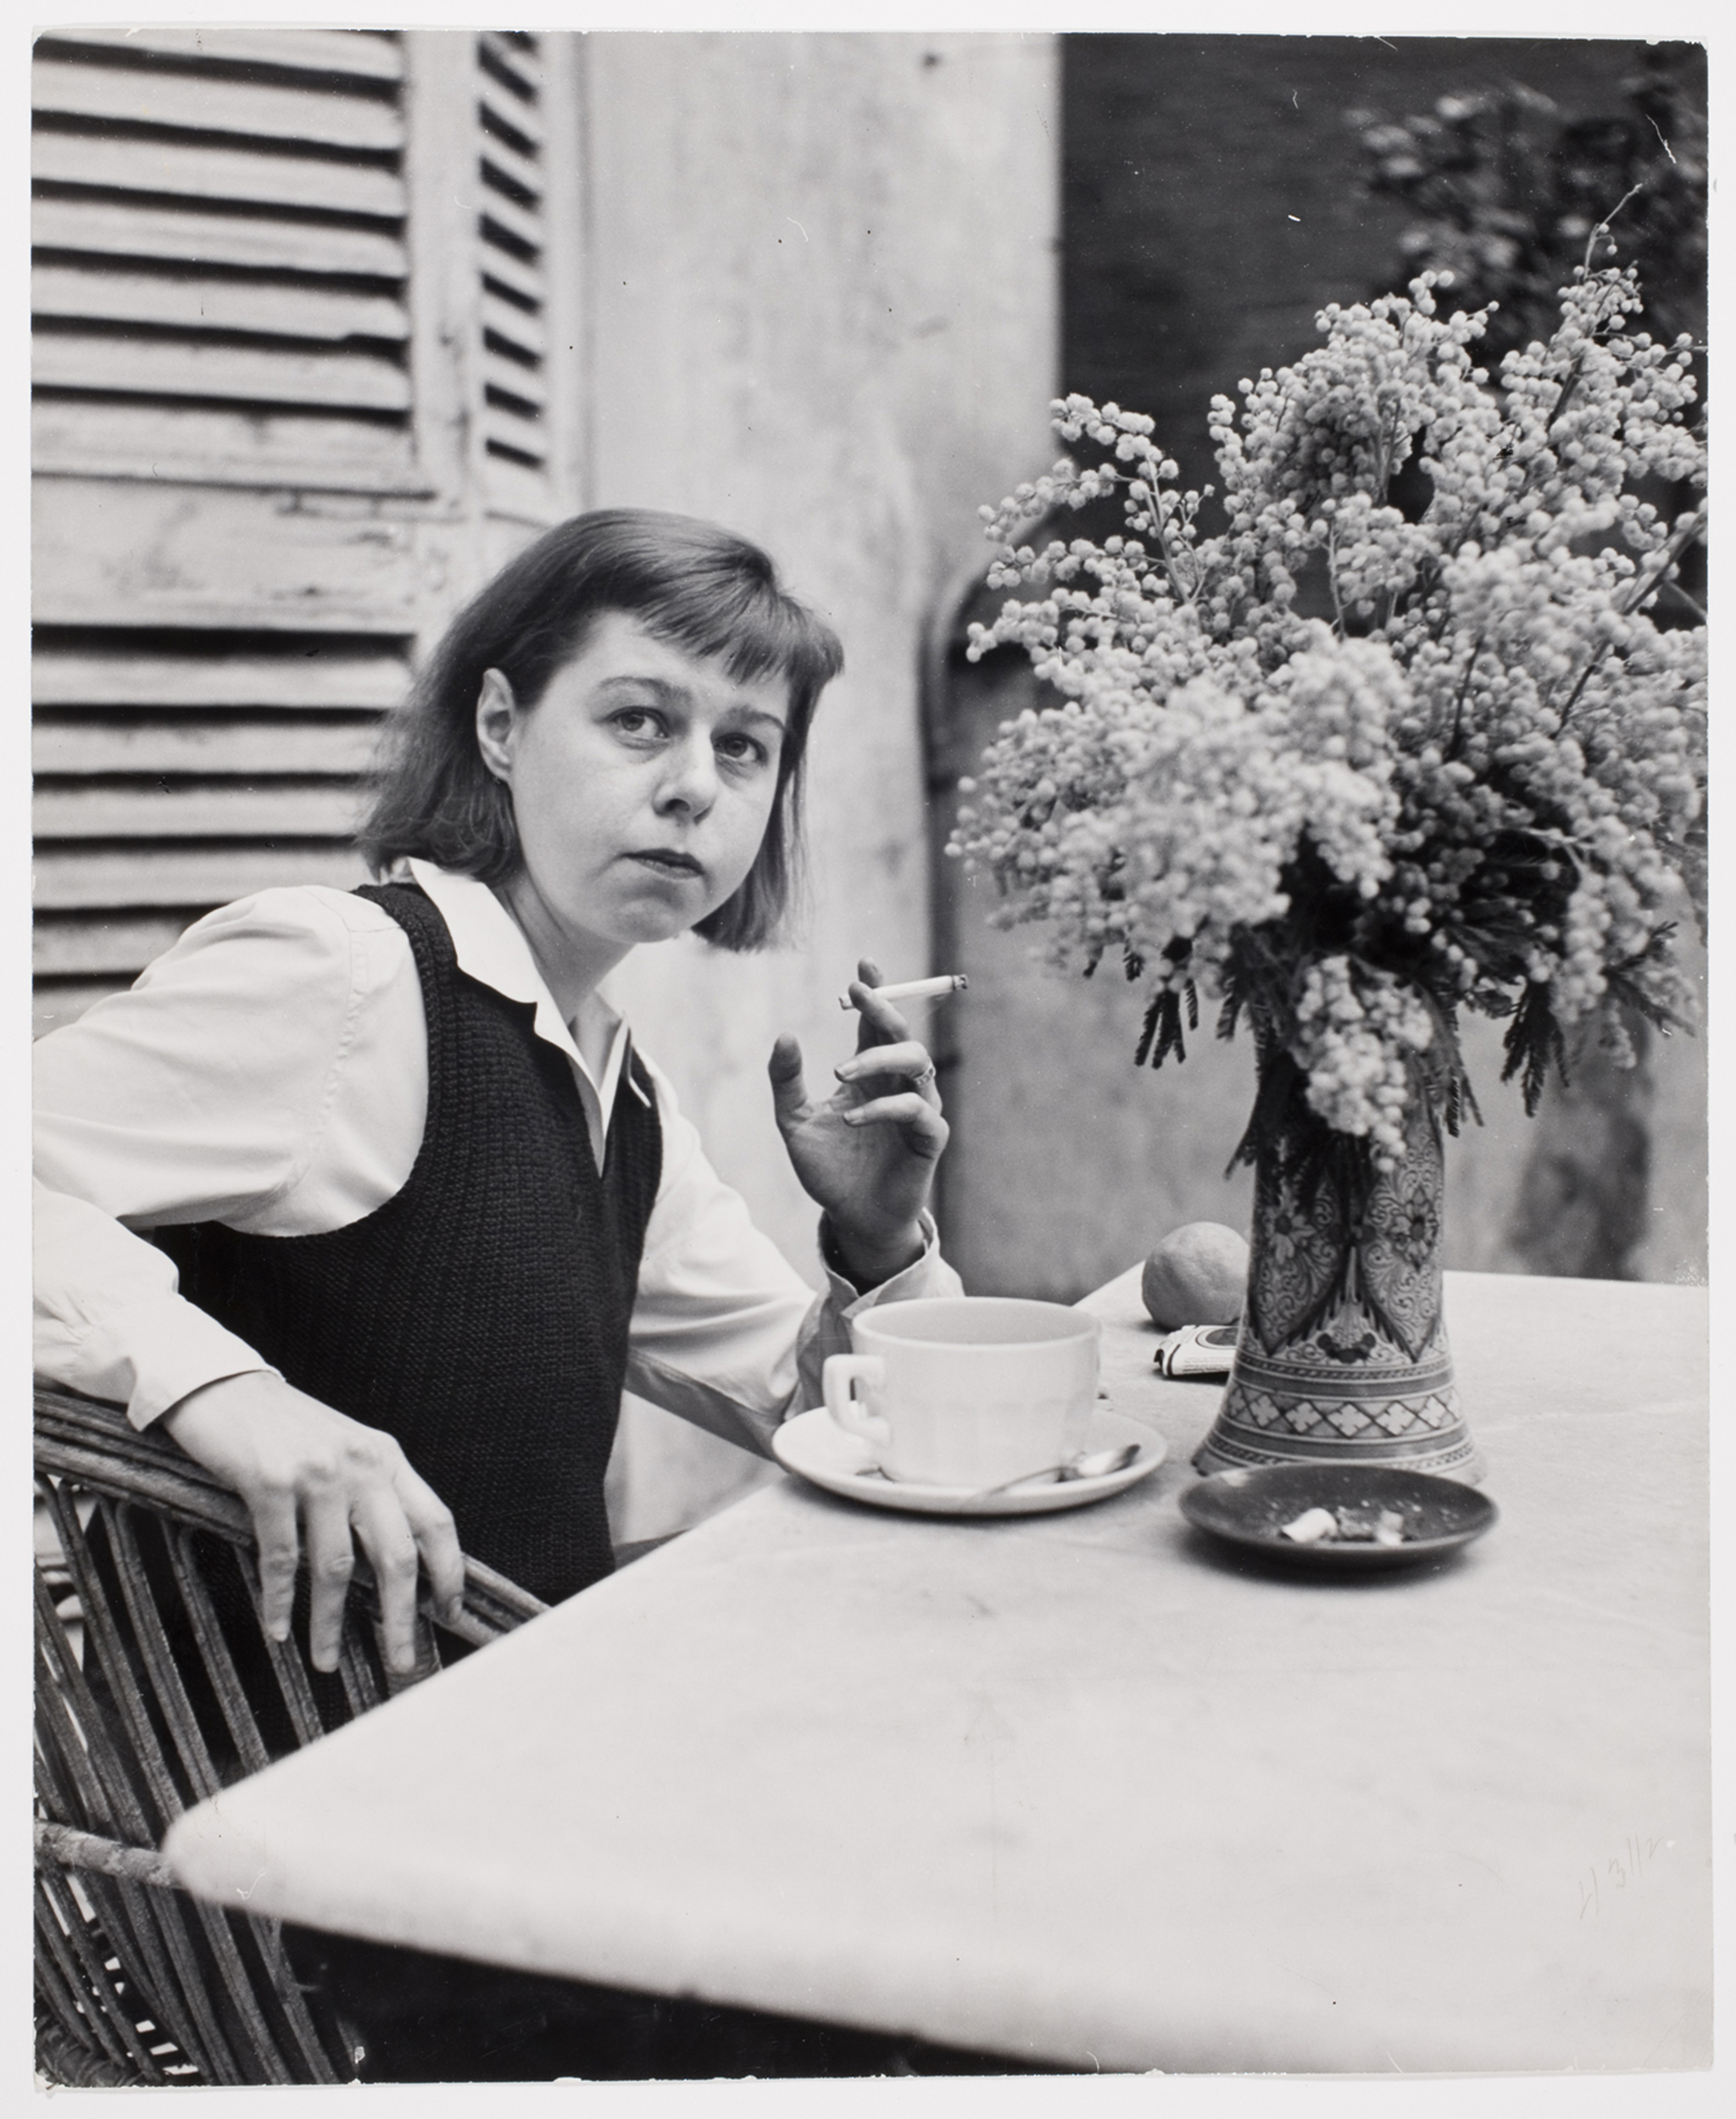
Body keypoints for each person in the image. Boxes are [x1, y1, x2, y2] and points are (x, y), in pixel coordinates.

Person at [33, 508, 961, 1682]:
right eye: (640, 720)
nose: (693, 788)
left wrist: (877, 1245)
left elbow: (815, 1409)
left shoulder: (615, 1089)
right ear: (501, 726)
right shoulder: (348, 976)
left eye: (744, 747)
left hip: (507, 1726)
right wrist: (227, 1393)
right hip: (274, 1782)